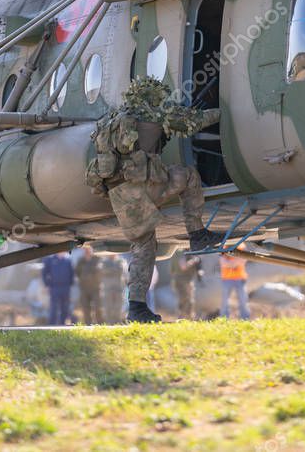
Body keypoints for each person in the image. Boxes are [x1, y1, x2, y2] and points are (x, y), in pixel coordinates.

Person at [85, 77, 221, 323]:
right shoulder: (155, 114)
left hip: (121, 193)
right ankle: (198, 235)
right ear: (151, 96)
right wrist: (223, 111)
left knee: (145, 248)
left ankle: (137, 308)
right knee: (189, 177)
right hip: (145, 188)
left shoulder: (112, 120)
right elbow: (193, 122)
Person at [41, 252, 74, 325]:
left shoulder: (68, 260)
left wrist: (70, 285)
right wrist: (46, 285)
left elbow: (71, 273)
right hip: (54, 287)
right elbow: (44, 273)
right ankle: (52, 325)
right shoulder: (50, 259)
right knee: (54, 308)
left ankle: (62, 324)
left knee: (65, 307)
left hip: (65, 287)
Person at [75, 245, 103, 325]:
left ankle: (100, 323)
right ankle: (88, 324)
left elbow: (100, 271)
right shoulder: (81, 261)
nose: (87, 252)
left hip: (95, 288)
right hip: (84, 288)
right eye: (85, 251)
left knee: (98, 307)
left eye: (88, 250)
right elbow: (77, 272)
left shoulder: (97, 259)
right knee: (85, 307)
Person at [219, 251, 250, 320]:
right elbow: (223, 263)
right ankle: (224, 319)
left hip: (240, 278)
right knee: (225, 301)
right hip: (227, 278)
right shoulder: (224, 248)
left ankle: (245, 319)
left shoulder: (241, 246)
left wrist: (230, 262)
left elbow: (244, 260)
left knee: (243, 300)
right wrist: (236, 261)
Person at [171, 252, 202, 320]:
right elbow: (183, 266)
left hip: (177, 279)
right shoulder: (184, 252)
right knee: (188, 300)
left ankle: (182, 317)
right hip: (185, 280)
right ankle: (188, 317)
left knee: (182, 299)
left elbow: (171, 271)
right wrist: (194, 260)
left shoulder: (175, 252)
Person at [100, 255, 128, 324]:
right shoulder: (104, 261)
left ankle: (117, 321)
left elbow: (123, 272)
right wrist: (115, 270)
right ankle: (109, 322)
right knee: (108, 305)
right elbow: (103, 271)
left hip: (119, 286)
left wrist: (111, 270)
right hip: (107, 286)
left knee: (118, 305)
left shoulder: (121, 261)